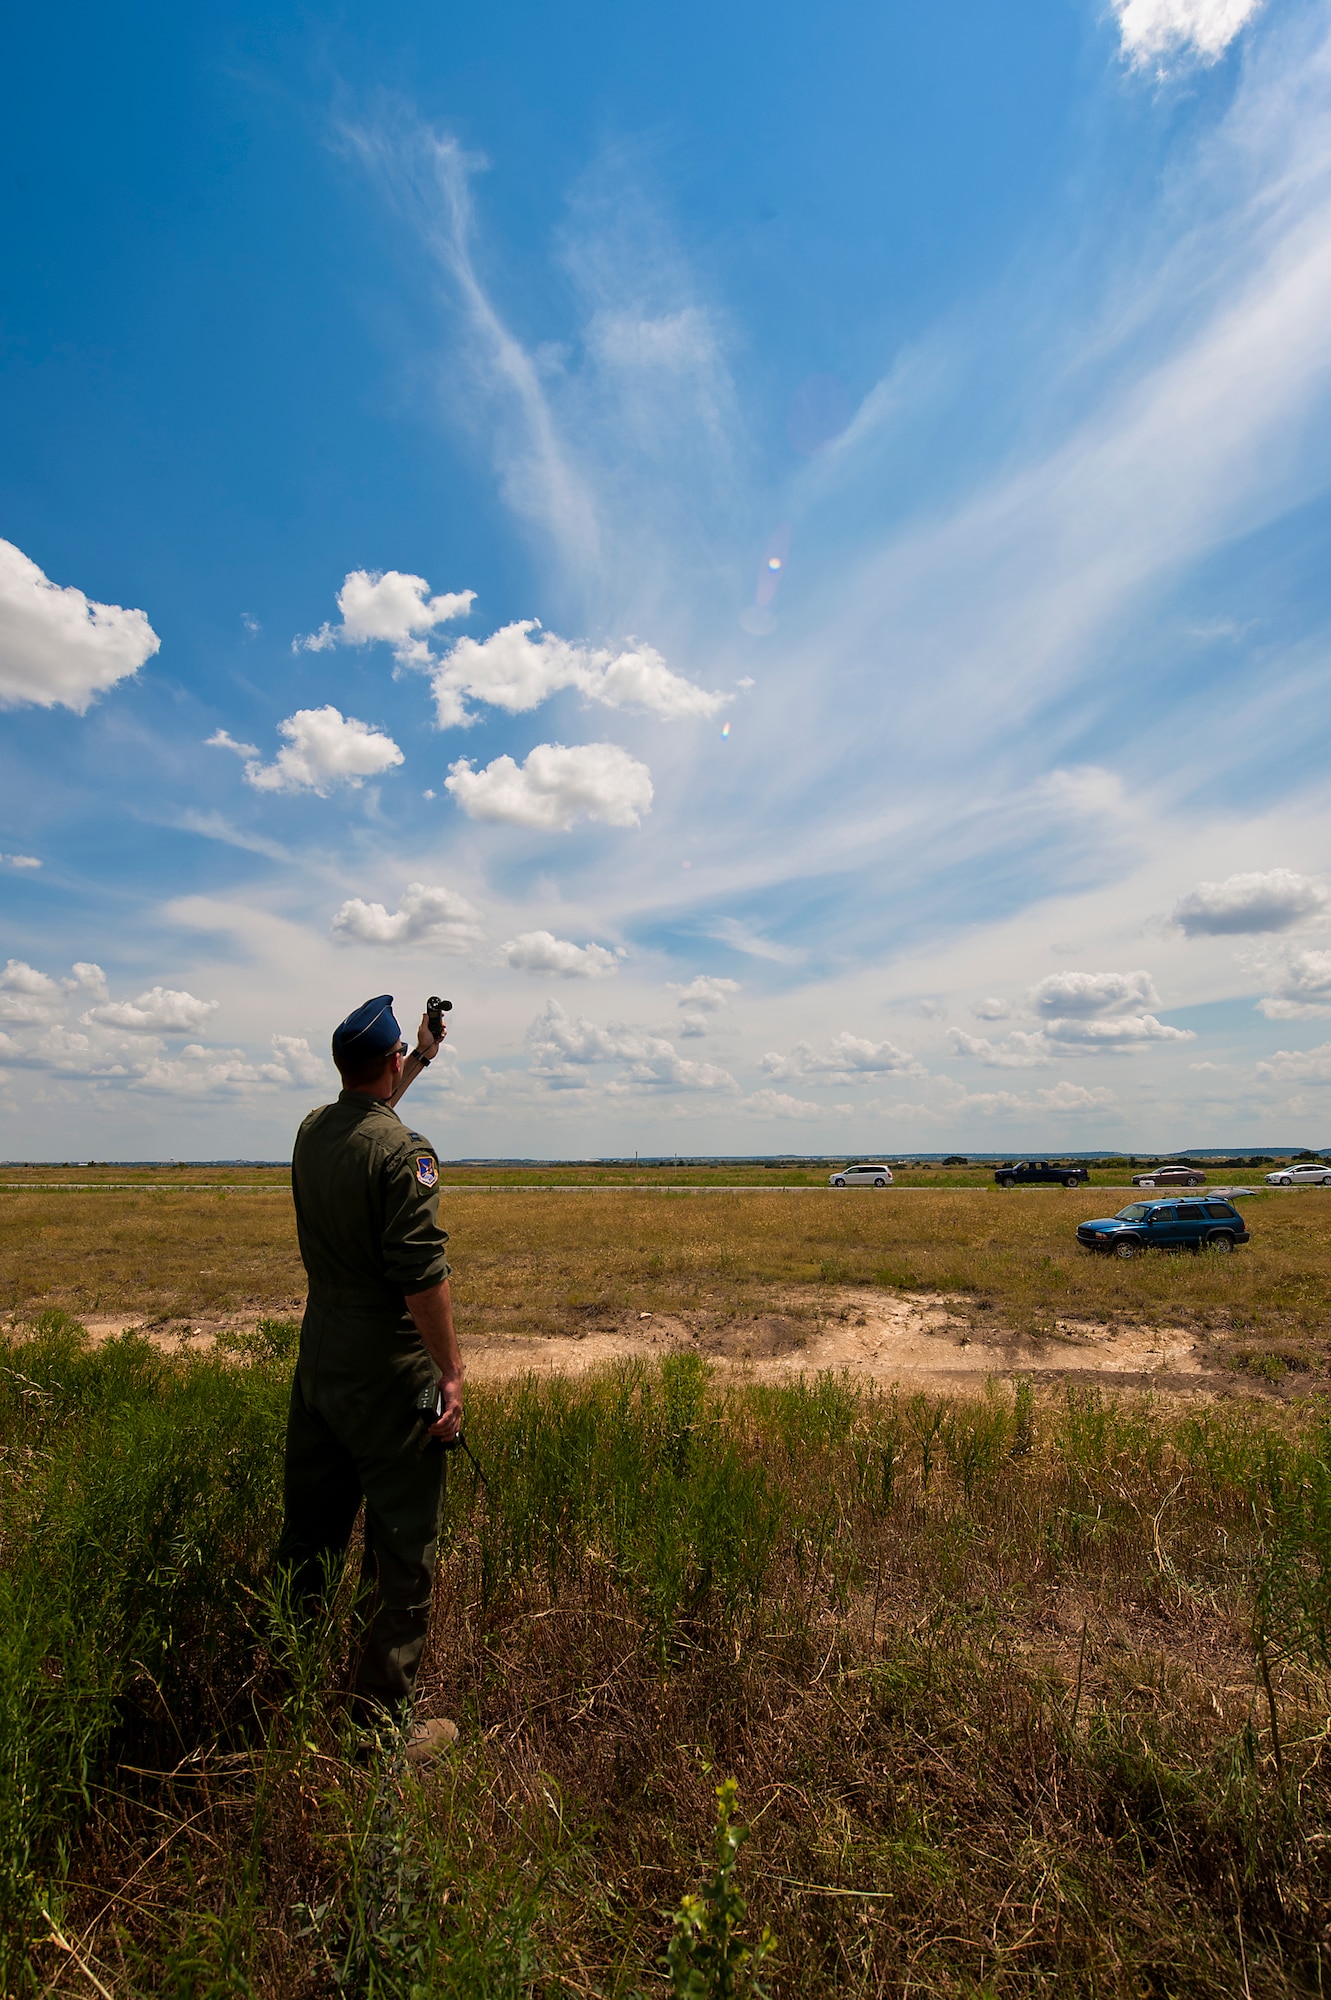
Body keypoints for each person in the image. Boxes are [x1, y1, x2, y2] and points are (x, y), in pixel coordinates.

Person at [274, 992, 463, 1764]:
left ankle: (281, 1683)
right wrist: (450, 1373)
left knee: (309, 1538)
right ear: (384, 1063)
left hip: (320, 1364)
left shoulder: (314, 1131)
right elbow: (422, 1277)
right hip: (388, 1375)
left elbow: (363, 1124)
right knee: (403, 1555)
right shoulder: (406, 1151)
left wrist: (417, 1058)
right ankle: (379, 1732)